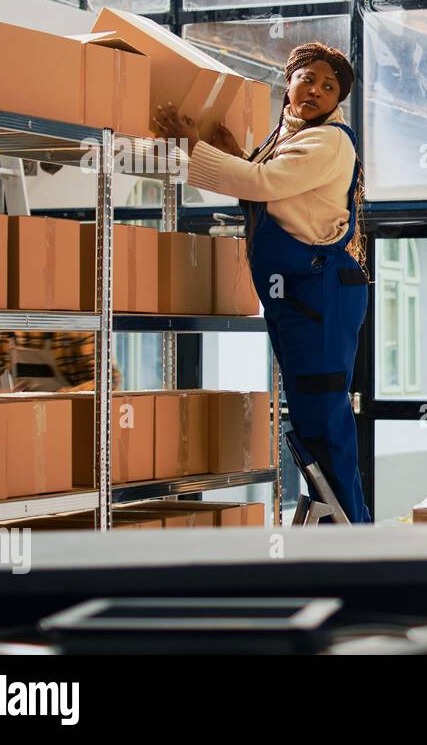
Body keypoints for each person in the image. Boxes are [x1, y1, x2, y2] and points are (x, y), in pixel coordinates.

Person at [153, 42, 372, 523]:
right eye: (307, 78)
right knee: (314, 416)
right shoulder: (286, 139)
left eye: (328, 86)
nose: (315, 89)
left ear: (337, 101)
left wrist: (198, 150)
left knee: (324, 416)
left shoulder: (329, 141)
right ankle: (344, 532)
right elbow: (263, 185)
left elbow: (264, 185)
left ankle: (351, 542)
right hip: (300, 291)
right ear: (288, 82)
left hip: (323, 292)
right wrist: (236, 157)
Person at [0, 331, 120, 394]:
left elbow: (109, 380)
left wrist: (57, 399)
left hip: (71, 424)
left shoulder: (76, 330)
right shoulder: (5, 330)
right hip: (30, 420)